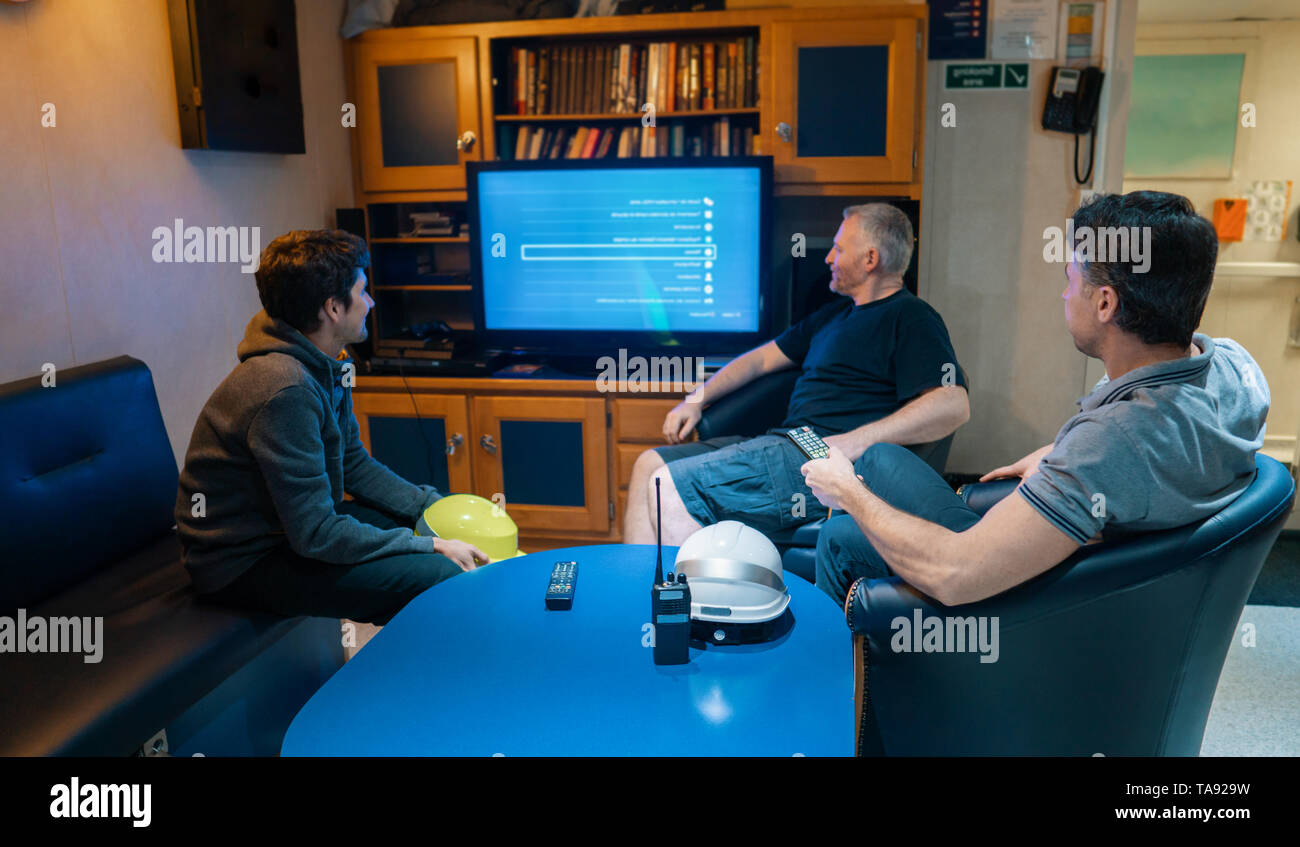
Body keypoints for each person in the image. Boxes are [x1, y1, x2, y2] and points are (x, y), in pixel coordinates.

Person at [803, 191, 1269, 607]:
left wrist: (848, 491)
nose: (1064, 295)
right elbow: (1146, 446)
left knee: (840, 535)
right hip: (1091, 554)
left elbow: (954, 575)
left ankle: (851, 674)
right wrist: (1059, 454)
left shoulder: (1109, 445)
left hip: (1027, 612)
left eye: (1070, 279)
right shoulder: (1236, 369)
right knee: (881, 457)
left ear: (1105, 304)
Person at [175, 229, 488, 625]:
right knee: (441, 576)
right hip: (243, 560)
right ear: (333, 309)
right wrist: (429, 546)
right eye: (362, 292)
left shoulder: (324, 360)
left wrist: (429, 507)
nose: (371, 302)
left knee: (442, 519)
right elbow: (317, 534)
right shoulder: (284, 388)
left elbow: (352, 463)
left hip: (290, 529)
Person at [624, 203, 970, 546]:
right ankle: (638, 584)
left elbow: (953, 405)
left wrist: (851, 443)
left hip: (819, 460)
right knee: (648, 466)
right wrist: (695, 400)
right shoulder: (833, 316)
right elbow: (759, 361)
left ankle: (687, 586)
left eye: (839, 249)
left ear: (870, 259)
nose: (828, 258)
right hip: (782, 443)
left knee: (669, 486)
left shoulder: (911, 317)